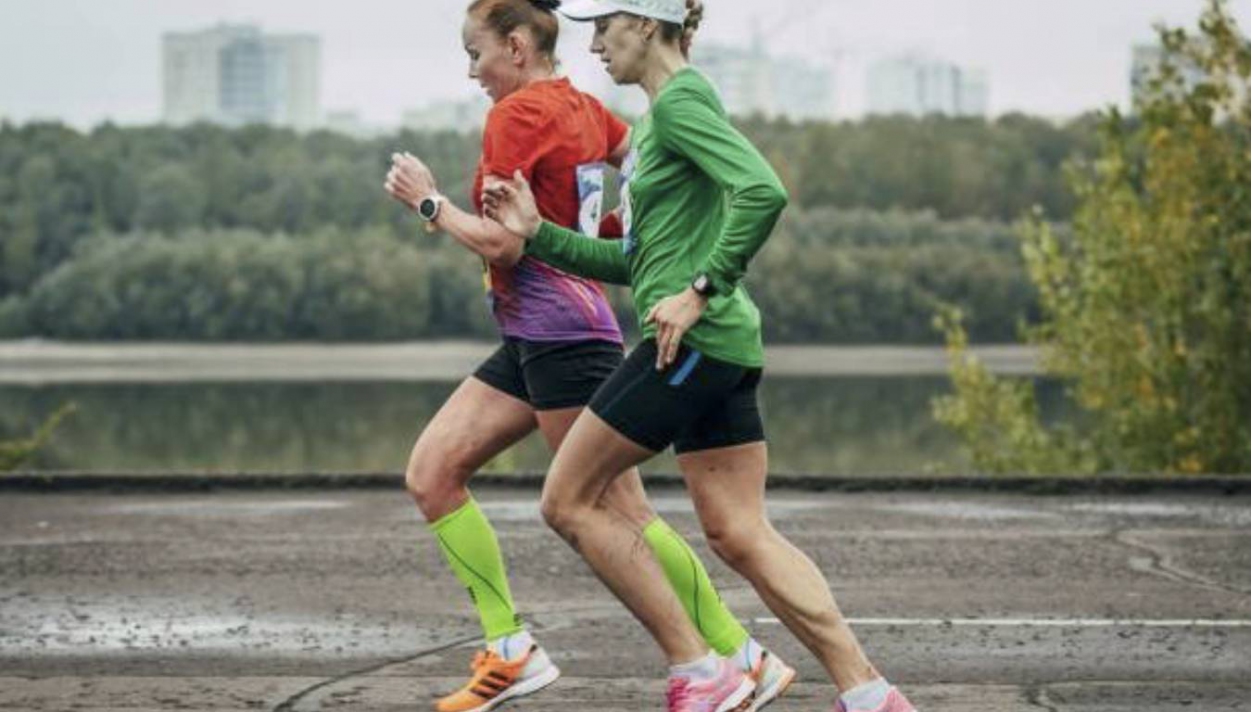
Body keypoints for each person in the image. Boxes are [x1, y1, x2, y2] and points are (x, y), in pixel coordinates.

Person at [481, 1, 919, 711]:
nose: (593, 45)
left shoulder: (682, 105)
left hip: (690, 342)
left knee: (567, 500)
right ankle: (868, 691)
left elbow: (763, 191)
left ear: (645, 24)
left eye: (604, 27)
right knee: (739, 532)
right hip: (722, 344)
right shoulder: (660, 121)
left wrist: (700, 290)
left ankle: (701, 670)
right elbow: (633, 261)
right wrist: (538, 235)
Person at [383, 1, 795, 710]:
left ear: (516, 47)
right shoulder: (586, 110)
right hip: (534, 334)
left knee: (617, 510)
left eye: (476, 54)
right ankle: (510, 650)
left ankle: (736, 654)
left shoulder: (514, 116)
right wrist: (623, 226)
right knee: (433, 472)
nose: (472, 72)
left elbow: (503, 244)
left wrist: (428, 204)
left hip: (562, 334)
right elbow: (645, 168)